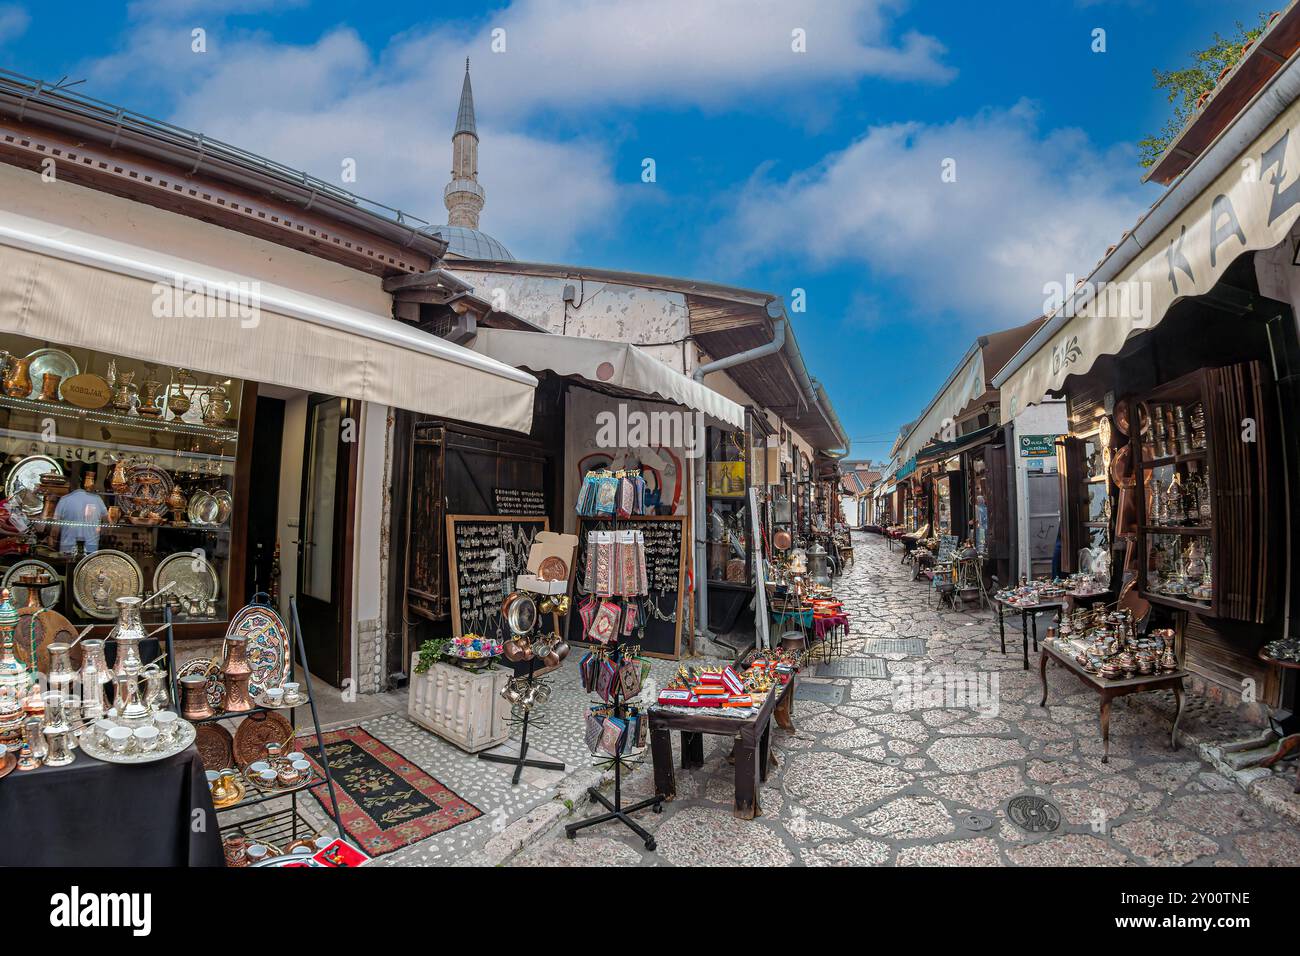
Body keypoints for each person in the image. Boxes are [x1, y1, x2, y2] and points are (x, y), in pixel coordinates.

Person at [51, 469, 108, 554]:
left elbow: (55, 529)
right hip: (90, 549)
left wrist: (52, 542)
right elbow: (107, 523)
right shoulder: (97, 500)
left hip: (67, 549)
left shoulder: (64, 500)